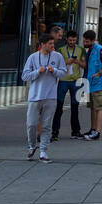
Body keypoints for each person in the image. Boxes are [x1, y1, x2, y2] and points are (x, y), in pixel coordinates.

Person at [21, 32, 66, 162]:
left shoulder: (57, 57)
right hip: (35, 96)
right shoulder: (33, 57)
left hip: (51, 96)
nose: (53, 46)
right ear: (42, 45)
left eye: (53, 43)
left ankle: (43, 151)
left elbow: (63, 73)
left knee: (47, 125)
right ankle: (31, 146)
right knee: (31, 124)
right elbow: (24, 76)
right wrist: (37, 72)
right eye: (50, 44)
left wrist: (55, 71)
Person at [51, 26, 86, 141]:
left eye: (74, 40)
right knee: (59, 107)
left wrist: (76, 61)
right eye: (70, 40)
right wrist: (68, 61)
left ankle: (76, 131)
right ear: (66, 39)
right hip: (63, 81)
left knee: (75, 107)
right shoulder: (60, 50)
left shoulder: (80, 50)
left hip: (76, 80)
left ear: (76, 40)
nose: (72, 42)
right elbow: (57, 65)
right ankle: (55, 132)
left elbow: (84, 65)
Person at [82, 29, 102, 141]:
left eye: (87, 41)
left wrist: (100, 72)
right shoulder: (89, 50)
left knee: (99, 108)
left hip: (99, 84)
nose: (84, 43)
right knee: (92, 108)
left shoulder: (99, 49)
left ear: (92, 41)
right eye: (84, 41)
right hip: (90, 83)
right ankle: (93, 129)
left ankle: (97, 132)